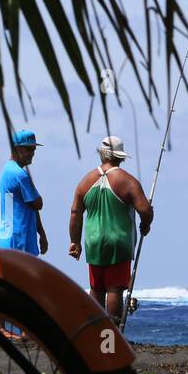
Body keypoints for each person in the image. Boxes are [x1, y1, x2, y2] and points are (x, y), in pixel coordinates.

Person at [68, 135, 153, 320]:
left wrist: (74, 241)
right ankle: (111, 332)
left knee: (96, 288)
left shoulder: (85, 181)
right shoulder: (127, 181)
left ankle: (96, 330)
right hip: (118, 241)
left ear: (102, 154)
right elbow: (145, 210)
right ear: (121, 157)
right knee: (115, 287)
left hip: (93, 240)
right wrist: (145, 225)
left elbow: (75, 212)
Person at [0, 129, 48, 256]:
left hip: (10, 240)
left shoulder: (7, 170)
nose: (32, 153)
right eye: (28, 149)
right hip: (19, 241)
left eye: (34, 149)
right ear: (16, 149)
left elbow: (31, 204)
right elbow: (37, 203)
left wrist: (41, 232)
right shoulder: (20, 174)